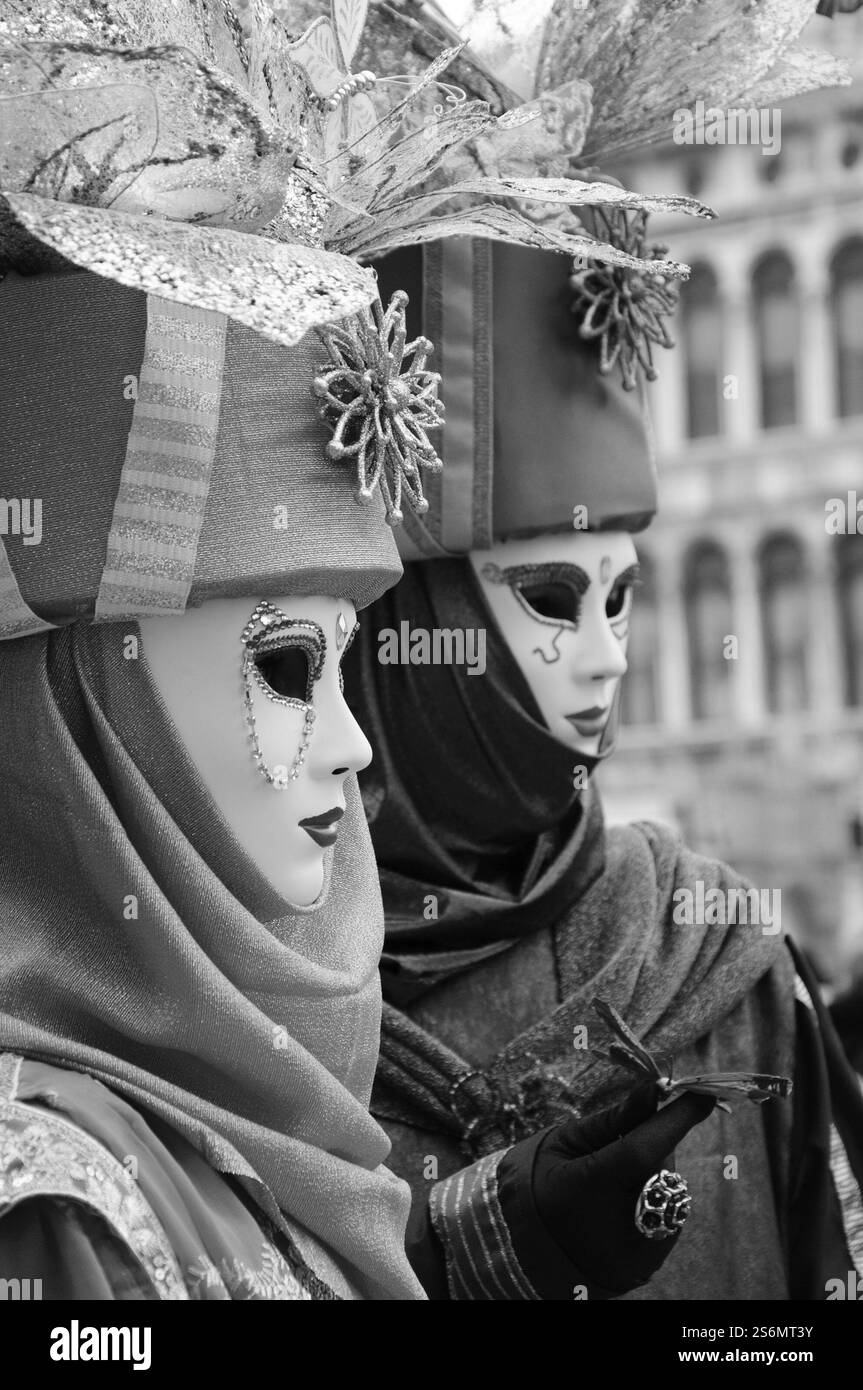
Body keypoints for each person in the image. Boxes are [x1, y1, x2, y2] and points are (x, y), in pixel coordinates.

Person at [348, 237, 863, 1300]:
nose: (607, 653)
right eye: (548, 598)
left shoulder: (715, 946)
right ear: (413, 618)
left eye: (618, 595)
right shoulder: (267, 1002)